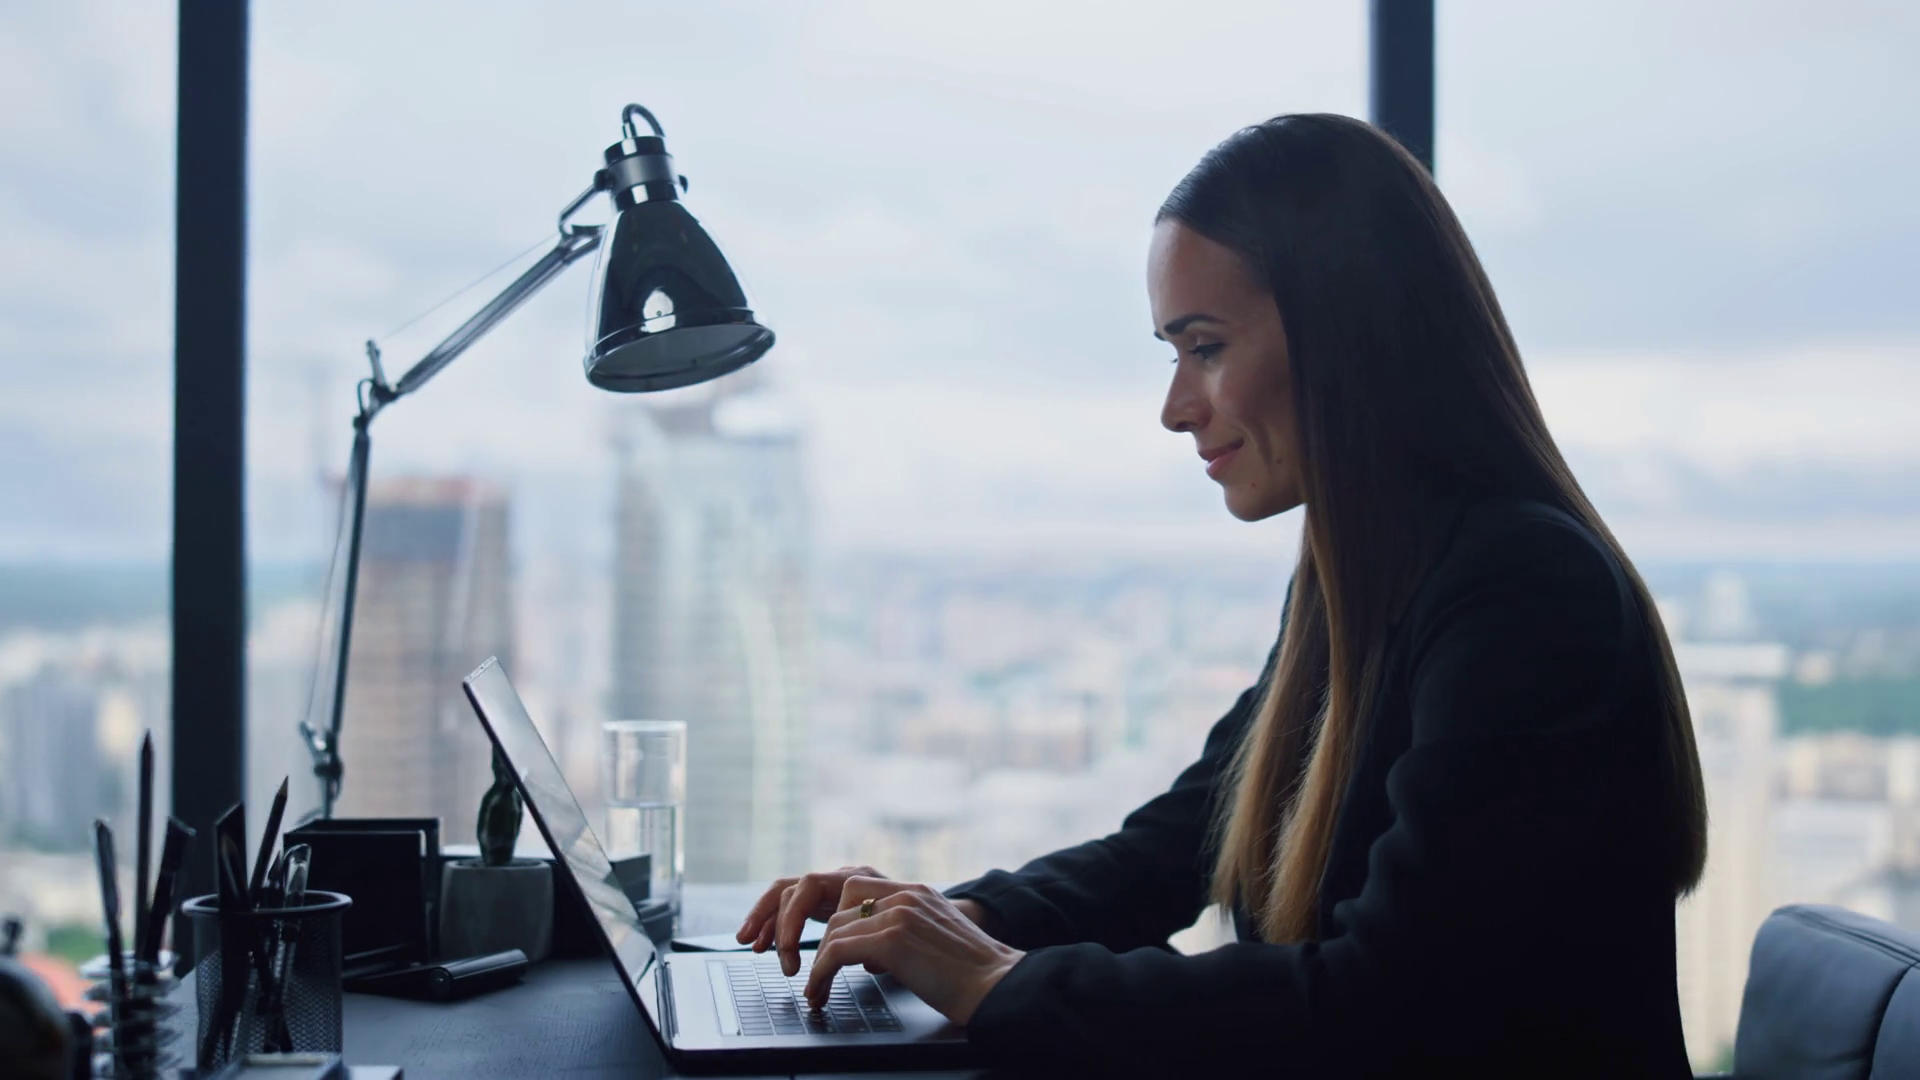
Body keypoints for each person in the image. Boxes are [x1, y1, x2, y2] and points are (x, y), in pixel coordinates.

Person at [736, 113, 1707, 1076]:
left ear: (1346, 334)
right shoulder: (1364, 576)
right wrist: (953, 921)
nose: (1174, 407)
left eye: (1204, 346)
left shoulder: (1521, 594)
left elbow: (1394, 1001)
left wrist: (997, 981)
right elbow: (1187, 841)